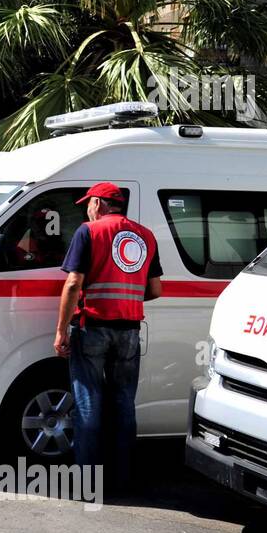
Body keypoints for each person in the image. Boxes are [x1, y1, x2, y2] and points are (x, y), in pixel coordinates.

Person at [53, 183, 162, 489]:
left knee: (88, 402)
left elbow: (74, 283)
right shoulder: (145, 236)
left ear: (98, 203)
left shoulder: (89, 232)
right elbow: (155, 289)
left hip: (92, 326)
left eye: (88, 203)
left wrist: (61, 330)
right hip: (129, 330)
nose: (87, 208)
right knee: (124, 403)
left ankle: (87, 482)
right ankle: (122, 477)